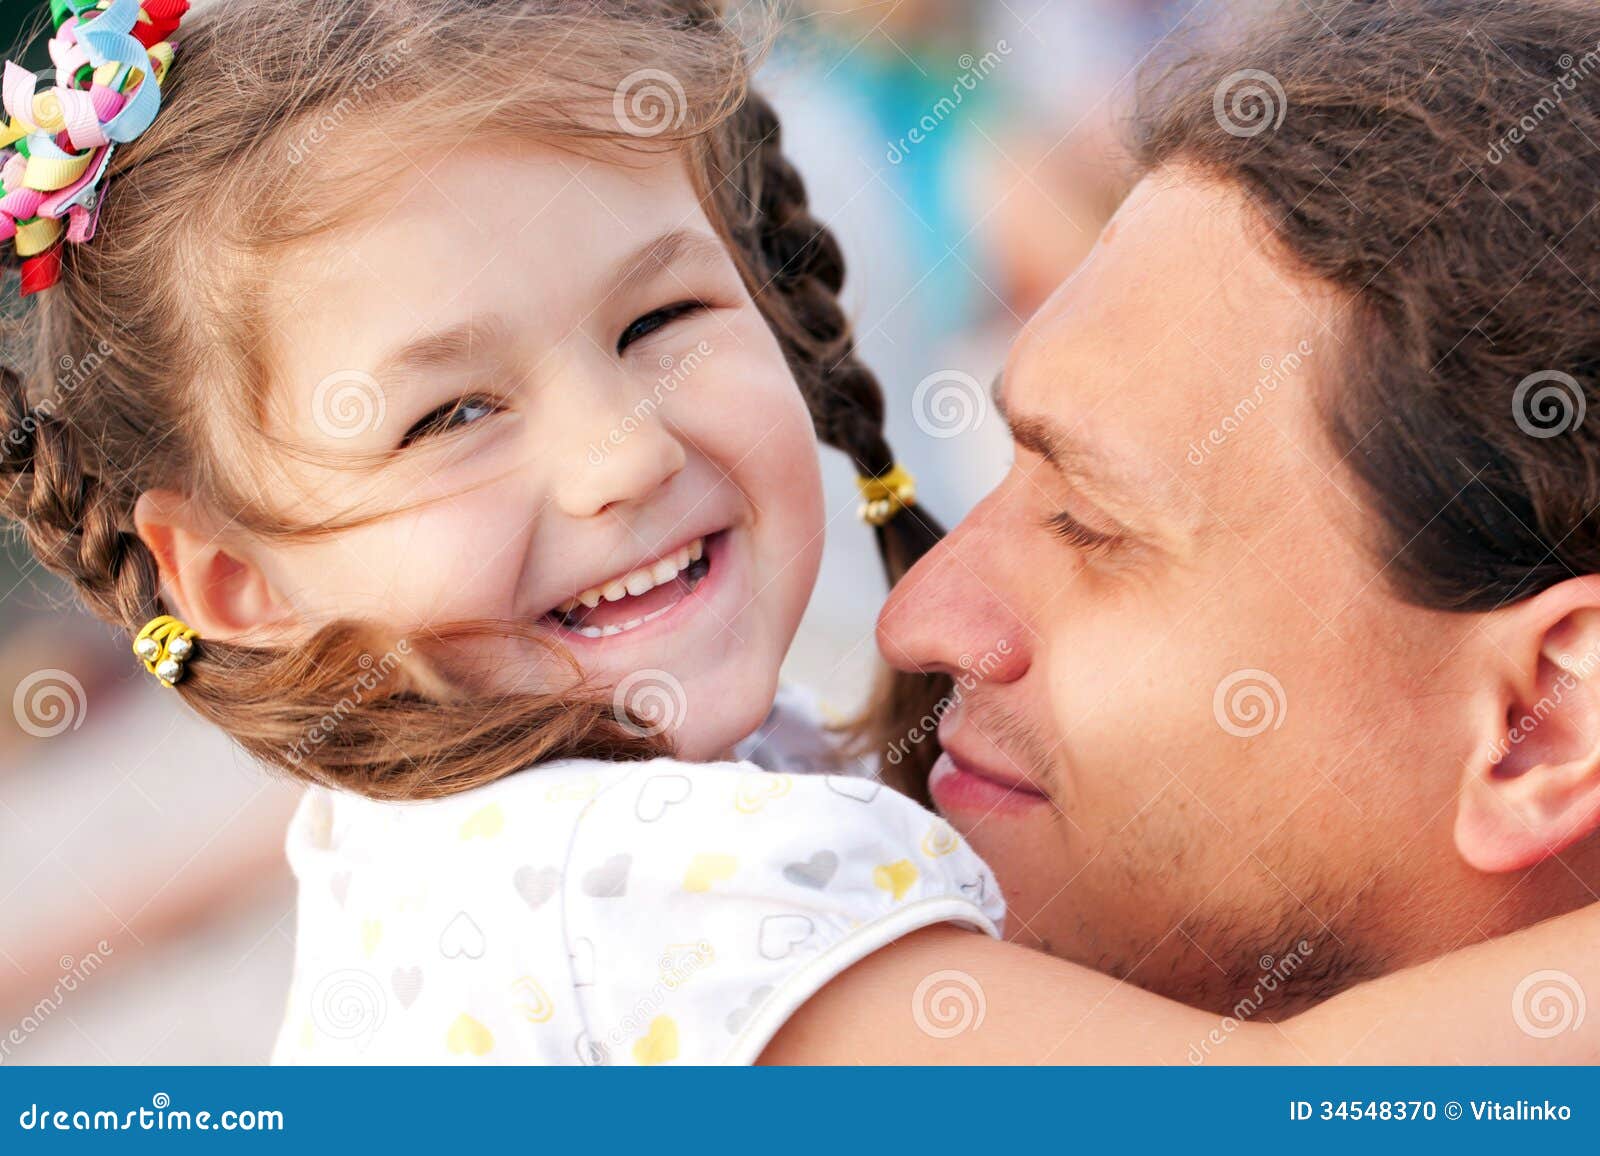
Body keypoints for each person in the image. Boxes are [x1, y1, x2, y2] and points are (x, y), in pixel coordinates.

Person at [0, 0, 1592, 1067]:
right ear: (229, 580)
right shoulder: (636, 890)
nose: (621, 454)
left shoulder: (578, 835)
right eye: (448, 416)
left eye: (662, 318)